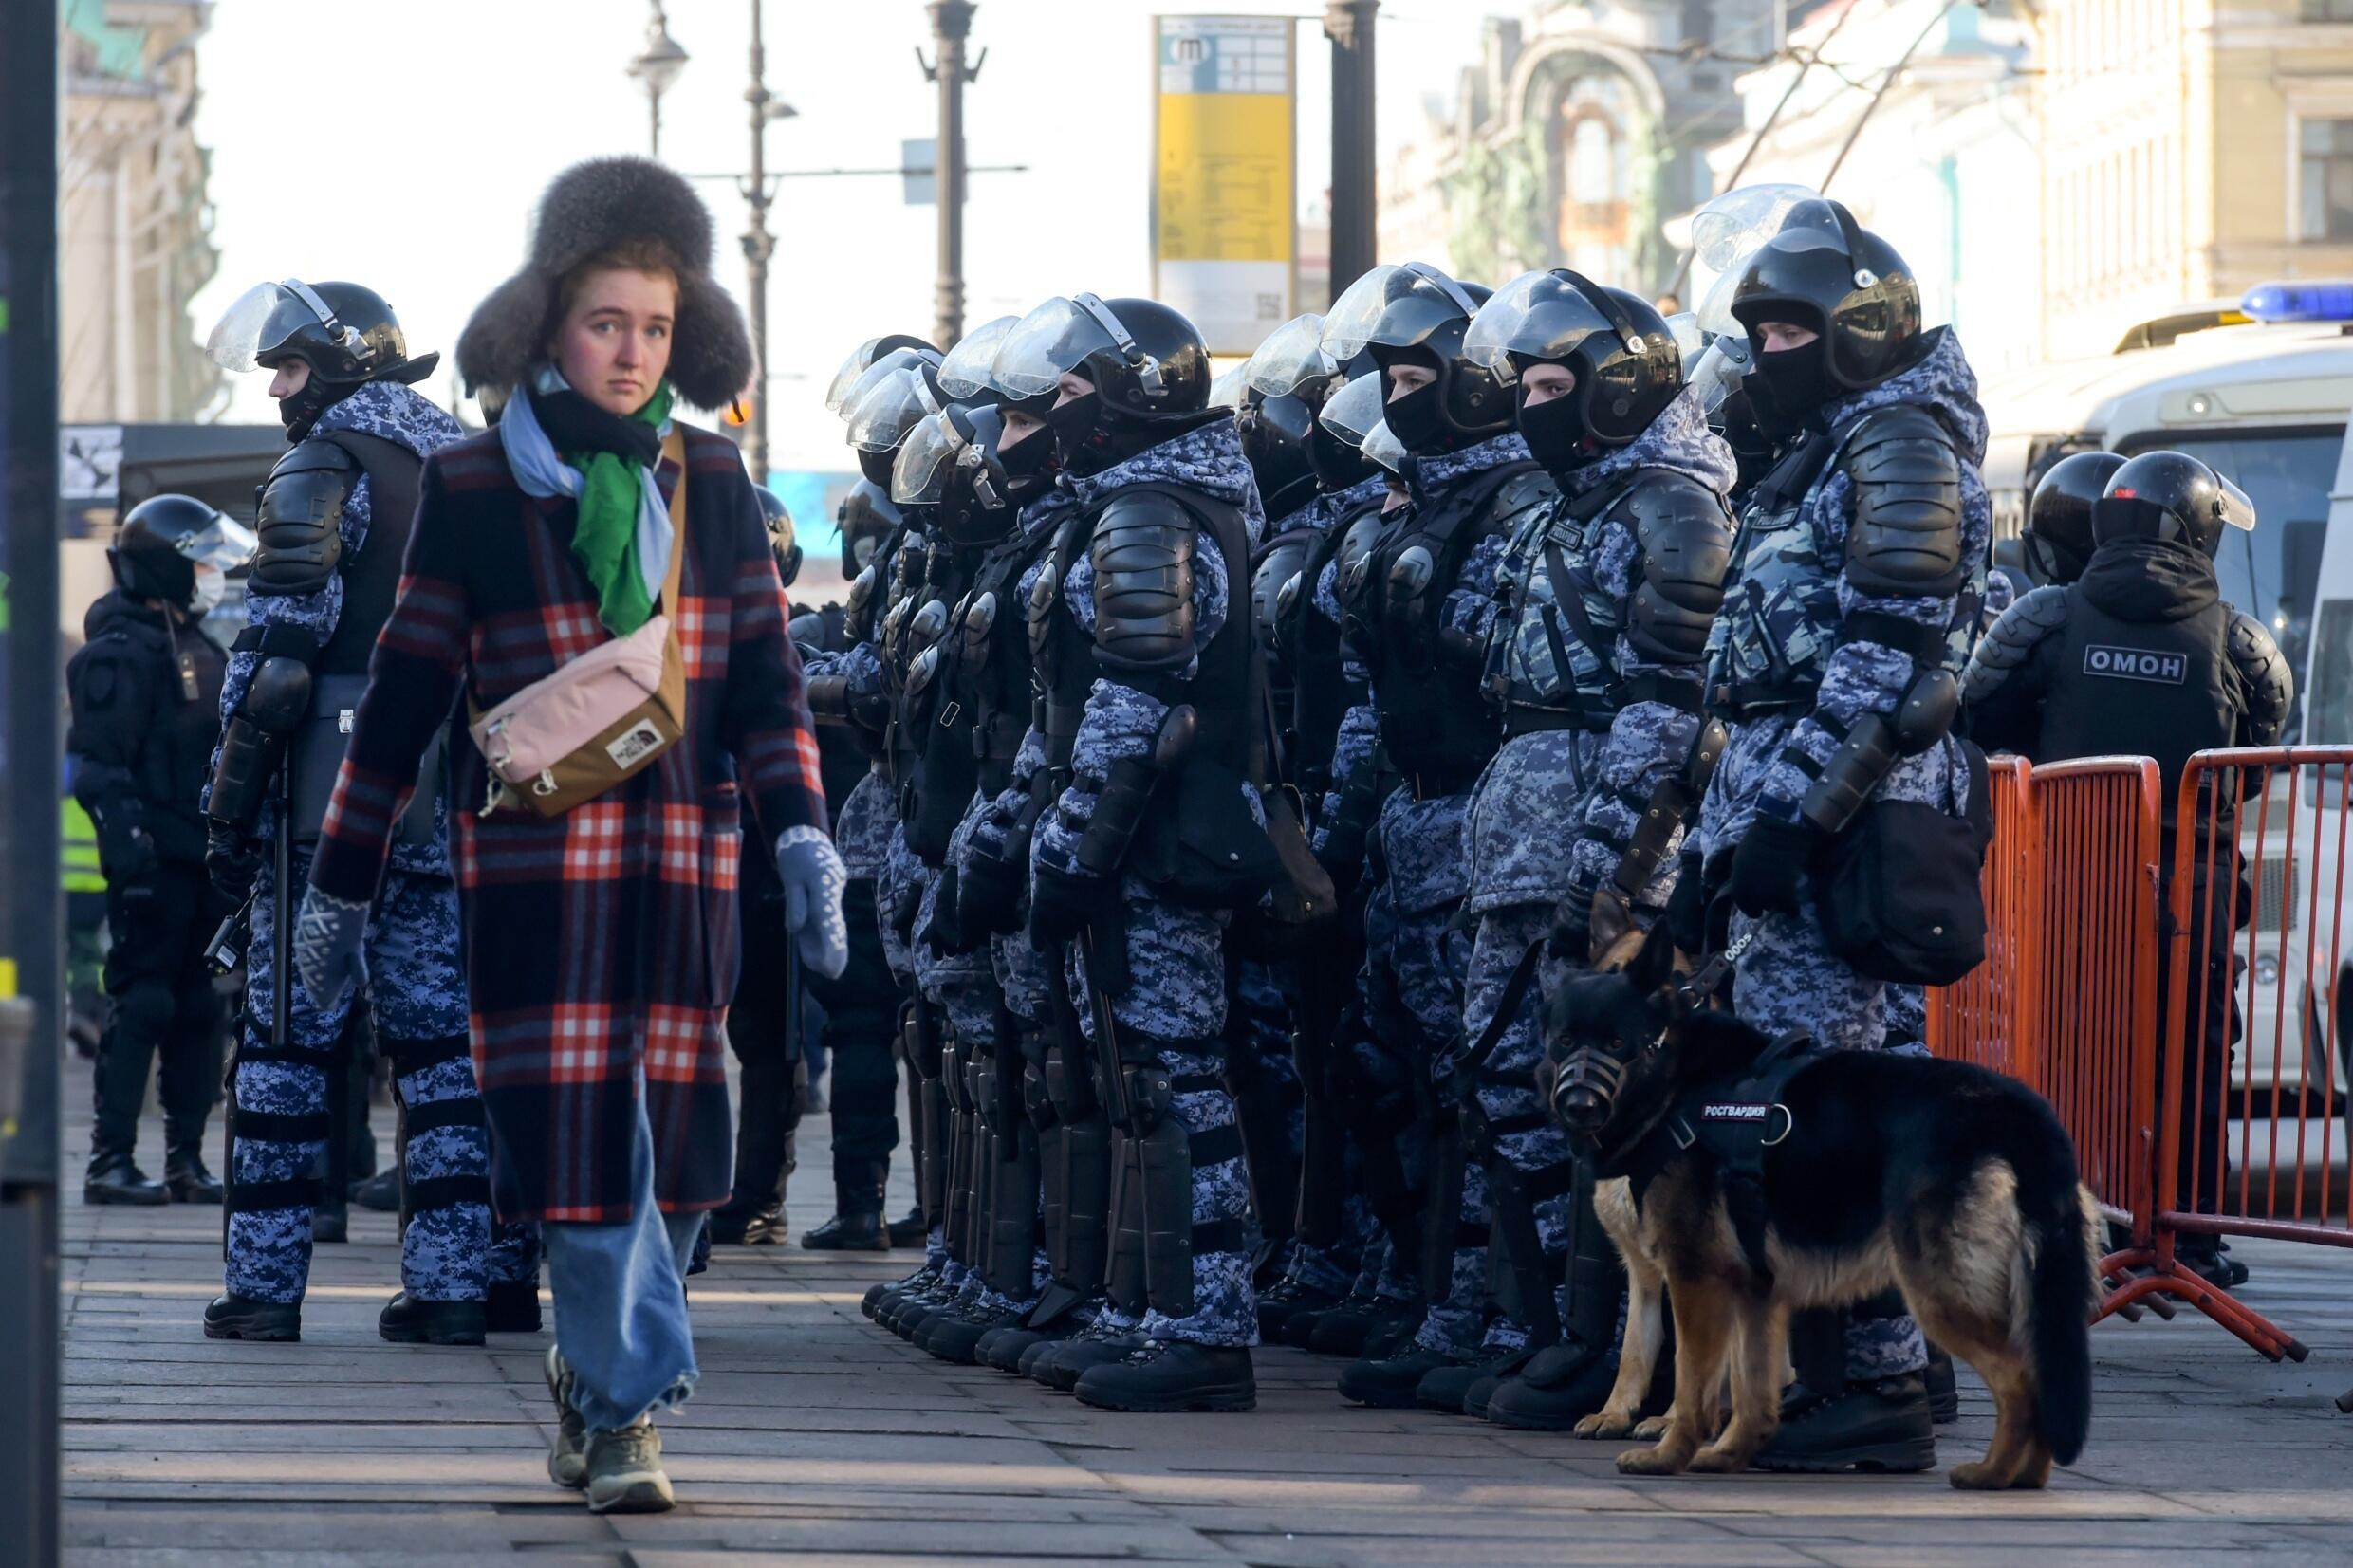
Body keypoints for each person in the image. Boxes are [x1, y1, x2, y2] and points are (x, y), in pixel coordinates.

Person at [290, 157, 846, 1514]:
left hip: (686, 877)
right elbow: (407, 696)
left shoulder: (712, 479)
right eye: (608, 323)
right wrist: (340, 888)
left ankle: (598, 1378)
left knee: (680, 1159)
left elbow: (768, 689)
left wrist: (802, 839)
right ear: (547, 324)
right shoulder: (474, 488)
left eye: (656, 328)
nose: (631, 350)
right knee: (585, 1154)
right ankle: (630, 1412)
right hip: (537, 881)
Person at [1392, 273, 1735, 1429]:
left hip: (1593, 842)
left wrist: (1610, 862)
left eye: (1552, 385)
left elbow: (1663, 702)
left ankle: (1602, 1345)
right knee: (1502, 1083)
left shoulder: (1672, 508)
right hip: (1519, 830)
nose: (1532, 405)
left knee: (1596, 1100)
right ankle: (1539, 1324)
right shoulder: (1563, 504)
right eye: (1524, 385)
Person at [1688, 197, 1991, 1472]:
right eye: (1757, 325)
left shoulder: (1901, 444)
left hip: (1843, 821)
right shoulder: (1830, 445)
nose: (1768, 347)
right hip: (1788, 799)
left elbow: (1890, 660)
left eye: (1793, 325)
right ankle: (1885, 1367)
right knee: (1804, 1092)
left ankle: (1863, 1380)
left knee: (1813, 1101)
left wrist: (1792, 817)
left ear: (1864, 328)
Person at [196, 279, 534, 1347]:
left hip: (321, 808)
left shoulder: (322, 469)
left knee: (288, 1045)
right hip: (455, 799)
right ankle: (451, 1290)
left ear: (340, 364)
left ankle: (264, 1291)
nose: (279, 393)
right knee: (442, 1054)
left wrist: (225, 813)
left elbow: (276, 668)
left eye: (289, 368)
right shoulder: (470, 466)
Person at [1005, 292, 1274, 1411]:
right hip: (1142, 844)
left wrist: (1070, 849)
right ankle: (1149, 1309)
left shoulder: (1150, 513)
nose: (1053, 417)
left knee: (1174, 1082)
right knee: (1135, 1081)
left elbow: (1131, 696)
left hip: (1158, 849)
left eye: (1067, 396)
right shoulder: (1136, 502)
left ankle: (1208, 1332)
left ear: (1123, 400)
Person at [1962, 449, 2292, 1287]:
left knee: (2071, 1048)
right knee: (2197, 1048)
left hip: (2073, 879)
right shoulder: (2239, 637)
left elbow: (1984, 712)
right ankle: (2195, 1234)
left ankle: (2076, 1223)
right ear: (2201, 531)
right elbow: (2263, 748)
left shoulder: (2043, 616)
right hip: (2196, 885)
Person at [1316, 263, 1556, 1377]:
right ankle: (1434, 1303)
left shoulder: (1517, 503)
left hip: (1489, 814)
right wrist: (1341, 832)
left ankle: (1498, 1319)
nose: (1400, 395)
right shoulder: (1404, 503)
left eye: (1418, 375)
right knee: (1407, 1073)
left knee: (1487, 1080)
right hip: (1411, 820)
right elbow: (1371, 694)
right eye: (1390, 377)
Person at [67, 495, 250, 1205]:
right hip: (152, 865)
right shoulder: (119, 652)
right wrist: (131, 855)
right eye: (201, 560)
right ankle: (110, 1161)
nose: (211, 573)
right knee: (141, 1001)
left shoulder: (196, 641)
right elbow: (100, 767)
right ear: (167, 566)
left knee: (200, 1008)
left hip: (201, 864)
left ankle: (185, 1158)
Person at [801, 477, 919, 1252]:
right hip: (919, 836)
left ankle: (860, 1205)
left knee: (864, 1027)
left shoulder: (896, 588)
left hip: (883, 843)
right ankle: (934, 1217)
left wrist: (798, 674)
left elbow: (872, 691)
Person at [706, 487, 823, 1247]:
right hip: (739, 849)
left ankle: (755, 1194)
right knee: (742, 1032)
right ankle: (741, 1192)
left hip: (764, 854)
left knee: (768, 1034)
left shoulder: (786, 636)